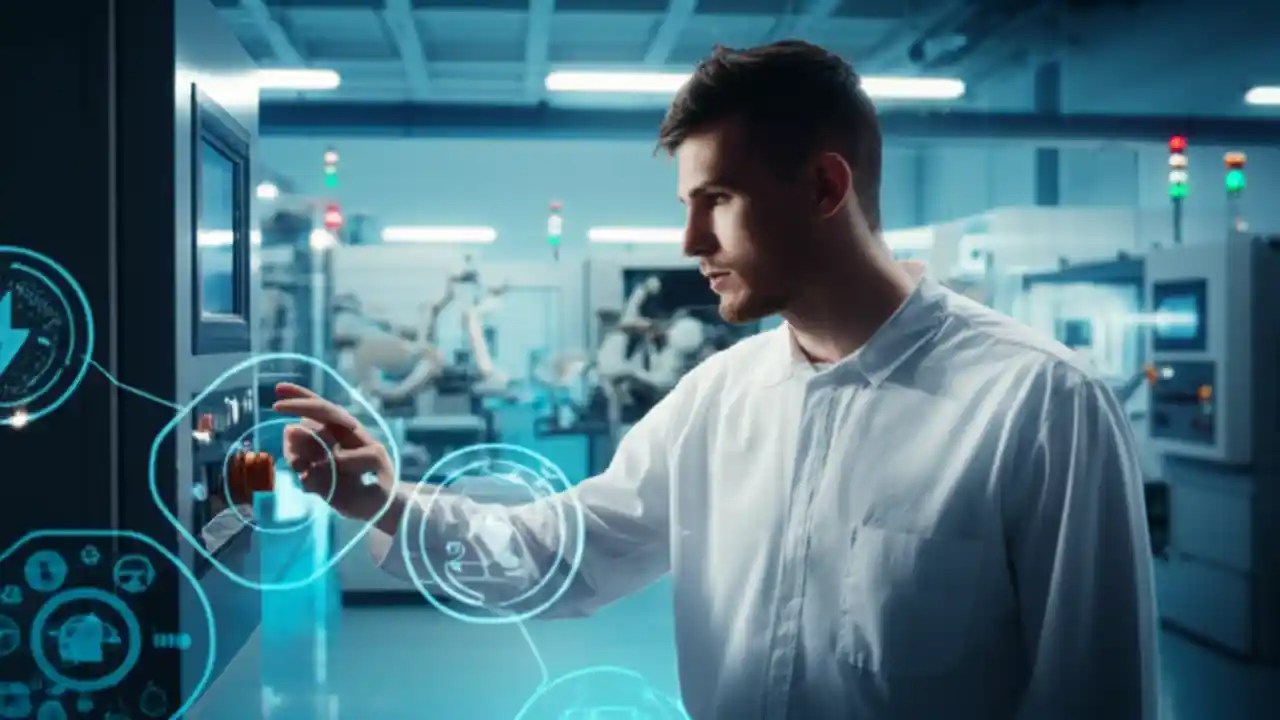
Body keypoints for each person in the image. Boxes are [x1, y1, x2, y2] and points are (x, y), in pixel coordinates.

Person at [273, 41, 1158, 720]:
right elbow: (559, 557)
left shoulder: (1037, 405)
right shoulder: (719, 399)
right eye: (686, 206)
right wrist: (387, 502)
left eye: (718, 200)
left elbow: (1094, 692)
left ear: (823, 185)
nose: (691, 243)